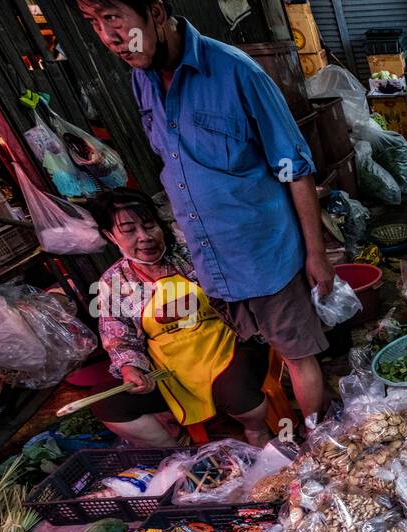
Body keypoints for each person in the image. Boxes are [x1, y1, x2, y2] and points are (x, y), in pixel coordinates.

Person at [75, 0, 332, 424]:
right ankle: (272, 430)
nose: (108, 36)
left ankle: (320, 443)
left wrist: (316, 255)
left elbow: (296, 171)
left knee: (298, 354)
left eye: (115, 17)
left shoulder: (236, 72)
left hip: (266, 255)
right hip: (212, 264)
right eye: (95, 23)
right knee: (255, 354)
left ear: (155, 12)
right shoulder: (142, 80)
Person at [88, 188, 271, 448]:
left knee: (242, 401)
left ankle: (258, 432)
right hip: (170, 371)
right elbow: (119, 340)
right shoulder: (113, 282)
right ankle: (180, 454)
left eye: (149, 225)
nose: (144, 237)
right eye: (129, 230)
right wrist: (131, 369)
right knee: (107, 404)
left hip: (227, 347)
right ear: (110, 236)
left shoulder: (193, 255)